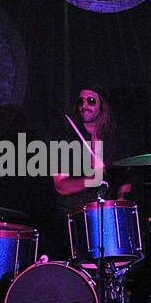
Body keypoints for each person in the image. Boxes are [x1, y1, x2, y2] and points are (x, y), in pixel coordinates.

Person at [52, 88, 132, 246]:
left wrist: (121, 206)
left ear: (102, 106)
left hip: (107, 216)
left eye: (91, 101)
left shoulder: (116, 139)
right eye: (81, 101)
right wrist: (92, 180)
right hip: (72, 216)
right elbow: (60, 186)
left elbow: (125, 180)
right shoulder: (64, 139)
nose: (84, 105)